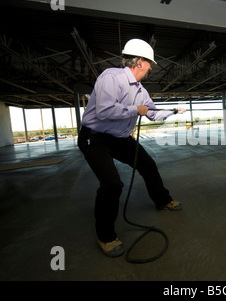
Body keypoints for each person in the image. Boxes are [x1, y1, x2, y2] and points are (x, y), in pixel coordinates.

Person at [78, 38, 186, 258]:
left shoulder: (140, 90)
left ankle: (162, 200)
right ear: (139, 62)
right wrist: (136, 109)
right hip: (94, 138)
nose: (150, 67)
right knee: (112, 184)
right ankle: (105, 236)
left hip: (119, 138)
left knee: (148, 165)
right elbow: (105, 111)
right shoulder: (111, 77)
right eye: (149, 63)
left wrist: (173, 111)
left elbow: (152, 113)